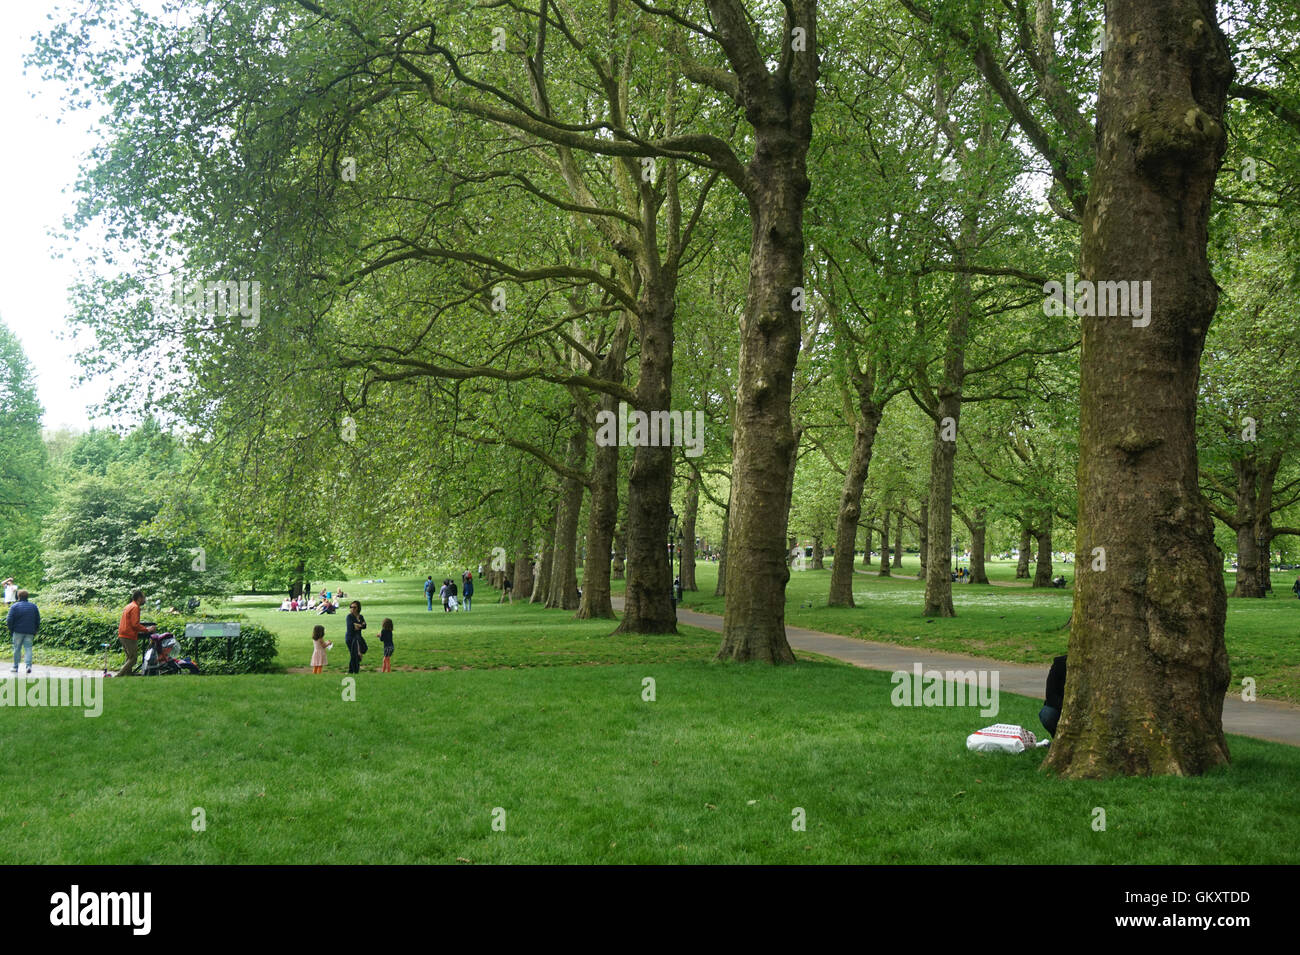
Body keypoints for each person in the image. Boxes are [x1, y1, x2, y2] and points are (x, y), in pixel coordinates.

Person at [115, 590, 156, 678]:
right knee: (133, 659)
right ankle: (118, 676)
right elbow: (135, 624)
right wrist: (147, 629)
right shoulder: (135, 607)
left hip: (122, 634)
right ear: (139, 598)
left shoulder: (129, 606)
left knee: (129, 657)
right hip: (128, 635)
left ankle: (128, 676)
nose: (145, 599)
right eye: (144, 597)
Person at [6, 589, 39, 675]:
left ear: (18, 596)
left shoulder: (14, 606)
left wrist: (11, 629)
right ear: (27, 596)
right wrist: (35, 630)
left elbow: (9, 619)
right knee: (28, 648)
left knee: (17, 649)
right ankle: (28, 666)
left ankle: (15, 667)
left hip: (17, 631)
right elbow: (37, 620)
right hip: (30, 631)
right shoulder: (33, 606)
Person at [1039, 655, 1067, 738]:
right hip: (1060, 707)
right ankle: (1058, 739)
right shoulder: (1060, 663)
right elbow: (1050, 695)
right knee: (1047, 714)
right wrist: (1065, 709)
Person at [344, 601, 366, 673]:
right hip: (350, 638)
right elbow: (351, 627)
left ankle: (351, 671)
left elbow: (364, 626)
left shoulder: (361, 616)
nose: (352, 608)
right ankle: (355, 671)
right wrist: (360, 625)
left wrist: (358, 625)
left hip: (358, 638)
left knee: (360, 652)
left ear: (358, 608)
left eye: (354, 607)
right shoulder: (349, 617)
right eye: (351, 607)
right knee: (354, 655)